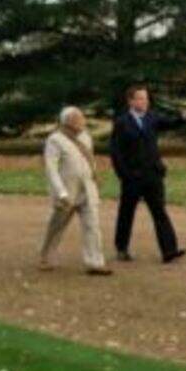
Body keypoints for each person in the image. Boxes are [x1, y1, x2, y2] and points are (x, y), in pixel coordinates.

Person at [109, 84, 186, 264]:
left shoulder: (151, 118)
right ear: (130, 101)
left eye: (145, 98)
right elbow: (116, 152)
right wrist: (124, 175)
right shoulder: (122, 123)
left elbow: (170, 124)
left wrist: (183, 117)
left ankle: (169, 250)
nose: (144, 102)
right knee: (127, 213)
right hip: (132, 177)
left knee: (159, 211)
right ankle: (122, 248)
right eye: (139, 98)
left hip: (153, 174)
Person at [38, 106, 113, 275]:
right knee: (57, 225)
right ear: (68, 122)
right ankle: (45, 256)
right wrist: (61, 192)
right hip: (66, 192)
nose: (82, 121)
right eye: (78, 118)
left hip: (87, 189)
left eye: (82, 118)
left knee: (92, 225)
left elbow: (89, 158)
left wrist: (94, 176)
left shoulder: (86, 137)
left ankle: (95, 263)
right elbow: (51, 168)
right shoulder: (55, 140)